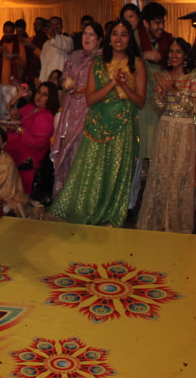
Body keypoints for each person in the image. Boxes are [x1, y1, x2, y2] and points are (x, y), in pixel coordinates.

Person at [48, 20, 146, 227]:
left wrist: (124, 86)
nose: (119, 39)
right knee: (90, 170)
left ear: (130, 38)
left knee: (116, 171)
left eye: (124, 34)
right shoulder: (98, 63)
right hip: (96, 123)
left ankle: (111, 215)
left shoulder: (136, 64)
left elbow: (140, 101)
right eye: (115, 34)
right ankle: (86, 210)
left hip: (122, 125)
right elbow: (91, 99)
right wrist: (112, 83)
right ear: (109, 38)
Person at [136, 38, 196, 233]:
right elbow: (157, 107)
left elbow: (192, 108)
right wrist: (163, 95)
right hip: (165, 127)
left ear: (185, 56)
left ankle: (176, 223)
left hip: (184, 129)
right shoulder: (162, 75)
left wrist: (173, 89)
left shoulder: (195, 76)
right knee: (161, 173)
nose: (174, 55)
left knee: (180, 175)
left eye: (178, 52)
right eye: (171, 52)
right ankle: (158, 220)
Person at [51, 21, 103, 199]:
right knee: (67, 149)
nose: (87, 37)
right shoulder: (74, 56)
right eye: (85, 33)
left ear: (100, 39)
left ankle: (82, 199)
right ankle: (64, 197)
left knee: (83, 152)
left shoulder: (103, 58)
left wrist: (88, 90)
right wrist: (66, 83)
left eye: (91, 34)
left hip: (91, 108)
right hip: (71, 107)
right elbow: (64, 78)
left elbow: (105, 85)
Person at [131, 2, 174, 211]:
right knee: (137, 155)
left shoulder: (168, 41)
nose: (161, 26)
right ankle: (131, 204)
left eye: (163, 22)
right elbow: (124, 62)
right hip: (138, 103)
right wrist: (143, 56)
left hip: (160, 105)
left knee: (158, 153)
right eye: (157, 22)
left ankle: (154, 203)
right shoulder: (135, 39)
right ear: (146, 23)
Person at [6, 81, 58, 194]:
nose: (39, 96)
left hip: (31, 154)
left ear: (51, 98)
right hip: (19, 143)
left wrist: (19, 130)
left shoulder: (46, 116)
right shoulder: (31, 107)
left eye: (44, 94)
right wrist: (17, 114)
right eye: (39, 92)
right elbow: (17, 113)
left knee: (2, 148)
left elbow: (37, 144)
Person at [0, 21, 25, 120]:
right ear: (3, 31)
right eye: (6, 32)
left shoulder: (19, 46)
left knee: (11, 110)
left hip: (13, 85)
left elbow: (23, 63)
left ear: (14, 32)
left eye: (11, 32)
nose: (8, 34)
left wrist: (9, 55)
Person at [39, 16, 73, 89]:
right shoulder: (46, 44)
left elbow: (68, 48)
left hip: (60, 82)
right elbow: (43, 64)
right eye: (52, 24)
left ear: (61, 26)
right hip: (47, 81)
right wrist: (41, 80)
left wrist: (53, 35)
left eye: (57, 24)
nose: (54, 27)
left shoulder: (67, 40)